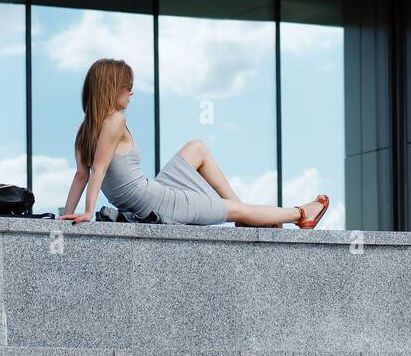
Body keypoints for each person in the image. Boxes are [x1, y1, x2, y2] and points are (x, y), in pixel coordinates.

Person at [56, 57, 329, 229]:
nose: (132, 92)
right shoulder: (115, 120)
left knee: (196, 147)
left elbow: (82, 175)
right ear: (111, 88)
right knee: (237, 209)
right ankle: (301, 213)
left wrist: (68, 215)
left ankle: (246, 218)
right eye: (127, 87)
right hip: (160, 204)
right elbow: (98, 171)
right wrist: (87, 213)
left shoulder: (85, 131)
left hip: (153, 194)